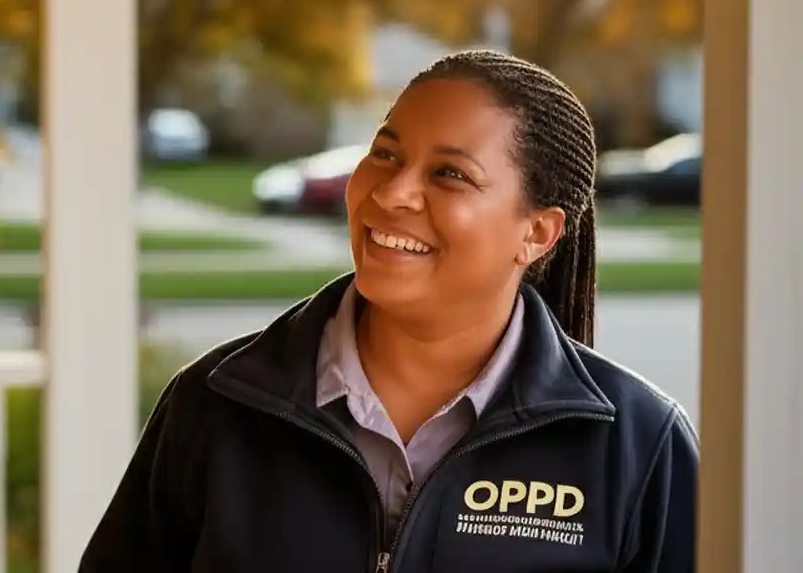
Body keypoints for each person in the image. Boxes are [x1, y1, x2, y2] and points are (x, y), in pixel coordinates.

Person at [81, 50, 698, 572]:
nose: (393, 191)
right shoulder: (216, 404)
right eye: (386, 153)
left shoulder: (641, 448)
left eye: (450, 173)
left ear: (537, 233)